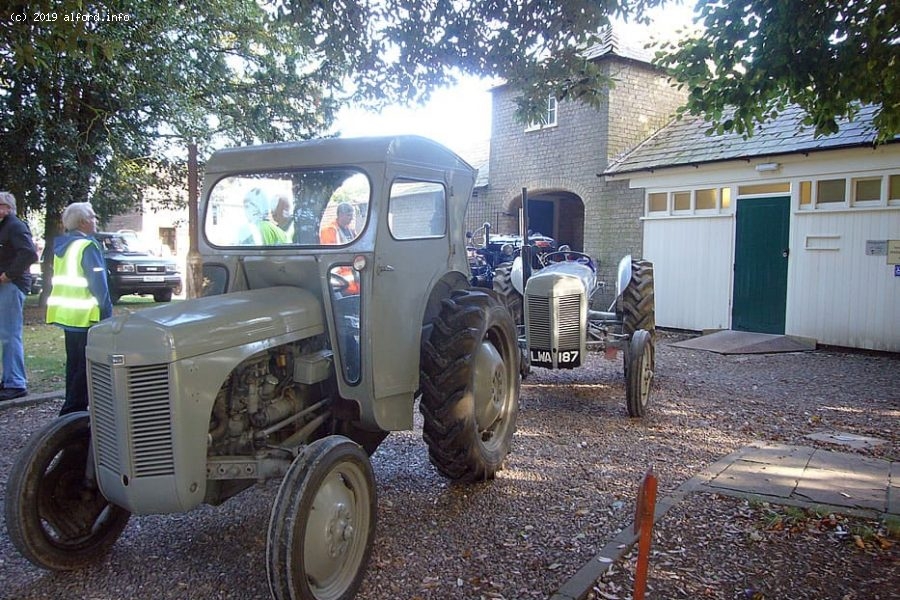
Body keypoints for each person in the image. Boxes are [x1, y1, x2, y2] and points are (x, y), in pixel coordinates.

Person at [46, 202, 113, 415]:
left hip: (68, 315)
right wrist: (107, 314)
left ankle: (71, 408)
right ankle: (73, 410)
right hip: (87, 316)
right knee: (86, 367)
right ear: (83, 222)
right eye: (92, 217)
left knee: (74, 364)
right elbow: (98, 285)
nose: (95, 220)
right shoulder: (87, 246)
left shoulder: (62, 247)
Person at [0, 192, 38, 401]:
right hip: (7, 285)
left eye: (2, 205)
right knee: (5, 334)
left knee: (9, 334)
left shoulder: (14, 226)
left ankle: (15, 382)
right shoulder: (4, 227)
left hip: (12, 286)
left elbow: (29, 253)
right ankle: (8, 379)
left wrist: (8, 275)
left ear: (9, 208)